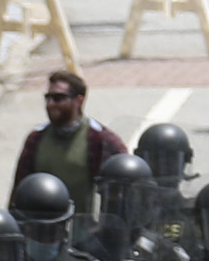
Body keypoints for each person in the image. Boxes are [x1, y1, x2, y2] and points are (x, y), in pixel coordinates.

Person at [13, 70, 127, 214]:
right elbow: (19, 192)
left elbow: (121, 191)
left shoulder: (100, 139)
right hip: (43, 225)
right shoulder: (36, 139)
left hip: (83, 226)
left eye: (58, 98)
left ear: (79, 101)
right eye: (48, 97)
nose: (50, 104)